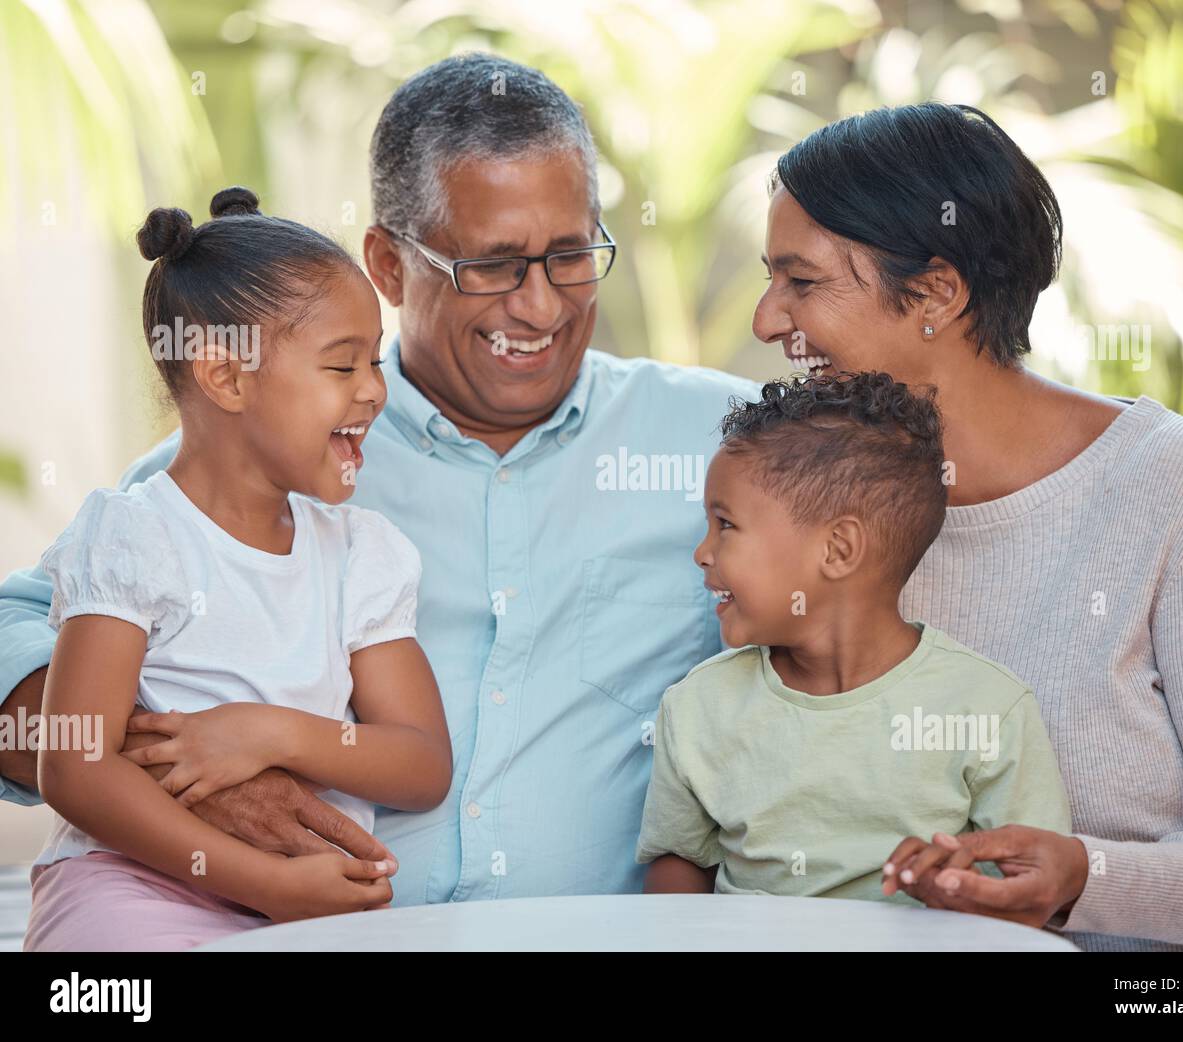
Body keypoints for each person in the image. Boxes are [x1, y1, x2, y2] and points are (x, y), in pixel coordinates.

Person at [0, 54, 757, 908]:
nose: (542, 307)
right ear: (390, 266)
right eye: (494, 265)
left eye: (570, 256)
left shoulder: (728, 444)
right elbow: (15, 635)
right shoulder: (263, 453)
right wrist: (182, 774)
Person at [752, 102, 1183, 951]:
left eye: (802, 281)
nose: (766, 319)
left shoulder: (1169, 486)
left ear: (936, 291)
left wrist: (1087, 878)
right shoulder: (792, 505)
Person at [22, 188, 453, 951]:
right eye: (341, 364)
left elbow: (420, 760)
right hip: (136, 888)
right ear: (227, 378)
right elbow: (74, 763)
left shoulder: (359, 554)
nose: (374, 389)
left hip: (313, 898)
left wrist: (269, 733)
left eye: (375, 361)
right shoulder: (133, 535)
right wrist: (263, 884)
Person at [637, 372, 1072, 900]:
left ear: (838, 549)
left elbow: (1032, 889)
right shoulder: (697, 707)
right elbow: (678, 856)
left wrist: (955, 888)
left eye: (725, 525)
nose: (702, 552)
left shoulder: (986, 710)